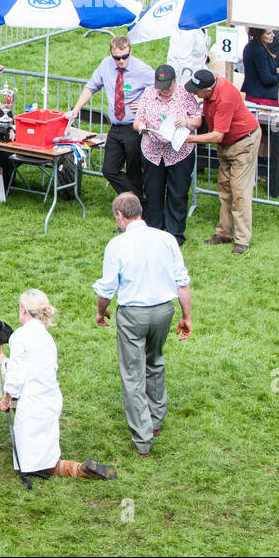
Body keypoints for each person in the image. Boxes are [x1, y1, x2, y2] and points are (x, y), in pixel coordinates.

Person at [94, 192, 193, 457]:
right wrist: (187, 316)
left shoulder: (116, 245)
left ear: (120, 215)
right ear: (140, 211)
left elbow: (107, 289)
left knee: (132, 374)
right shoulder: (166, 239)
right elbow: (182, 281)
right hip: (164, 312)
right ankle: (156, 421)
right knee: (155, 362)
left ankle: (143, 438)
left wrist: (100, 312)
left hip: (133, 315)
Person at [0, 289, 116, 480]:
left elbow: (16, 377)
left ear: (23, 310)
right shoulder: (46, 337)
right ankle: (77, 468)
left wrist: (6, 399)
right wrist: (3, 359)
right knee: (47, 453)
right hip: (50, 402)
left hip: (32, 408)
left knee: (38, 465)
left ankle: (80, 470)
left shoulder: (19, 336)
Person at [183, 68, 260, 255]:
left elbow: (217, 135)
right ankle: (224, 233)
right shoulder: (212, 86)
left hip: (243, 143)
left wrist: (189, 139)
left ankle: (242, 240)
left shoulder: (225, 98)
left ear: (208, 90)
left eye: (197, 91)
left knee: (240, 191)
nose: (194, 94)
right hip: (227, 143)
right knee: (225, 189)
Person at [66, 36, 156, 198]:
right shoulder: (106, 65)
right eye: (117, 58)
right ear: (111, 54)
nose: (121, 61)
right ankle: (136, 201)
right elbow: (91, 87)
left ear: (130, 51)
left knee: (134, 170)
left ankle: (135, 207)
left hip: (133, 126)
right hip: (116, 126)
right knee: (109, 169)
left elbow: (161, 92)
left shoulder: (143, 70)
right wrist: (77, 108)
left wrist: (145, 104)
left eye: (124, 57)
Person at [133, 65, 202, 246]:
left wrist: (186, 122)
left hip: (179, 152)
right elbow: (137, 119)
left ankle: (175, 234)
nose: (163, 90)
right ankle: (154, 230)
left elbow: (197, 119)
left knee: (177, 193)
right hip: (152, 152)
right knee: (153, 192)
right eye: (160, 86)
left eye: (167, 87)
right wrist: (141, 127)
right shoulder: (148, 94)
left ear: (174, 82)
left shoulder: (185, 95)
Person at [241, 28, 279, 107]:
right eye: (268, 33)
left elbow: (257, 70)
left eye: (272, 32)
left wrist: (275, 70)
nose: (273, 35)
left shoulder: (249, 47)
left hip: (253, 96)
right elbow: (267, 79)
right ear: (260, 35)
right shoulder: (259, 51)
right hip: (263, 100)